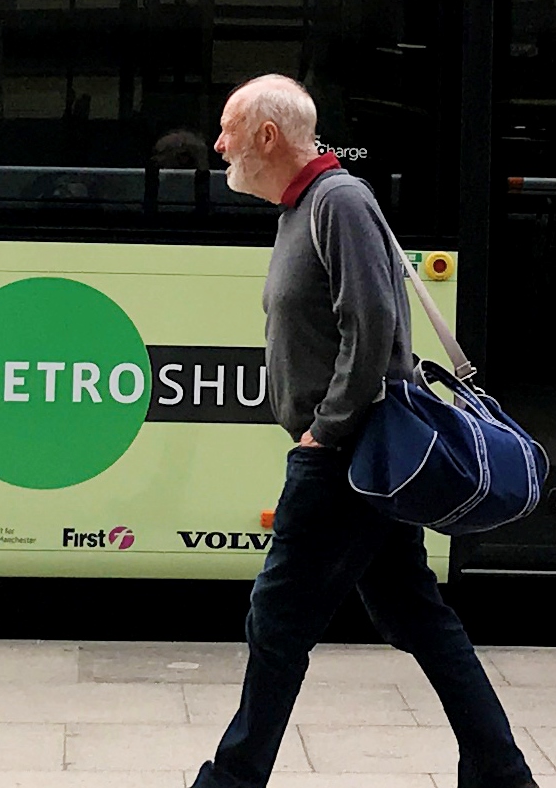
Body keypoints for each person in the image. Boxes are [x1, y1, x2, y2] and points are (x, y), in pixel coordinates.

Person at [194, 74, 535, 788]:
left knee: (277, 621)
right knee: (416, 617)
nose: (218, 144)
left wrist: (326, 429)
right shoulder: (301, 208)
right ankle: (502, 773)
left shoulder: (339, 201)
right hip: (355, 451)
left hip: (348, 455)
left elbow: (373, 325)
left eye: (229, 129)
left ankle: (230, 781)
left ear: (268, 136)